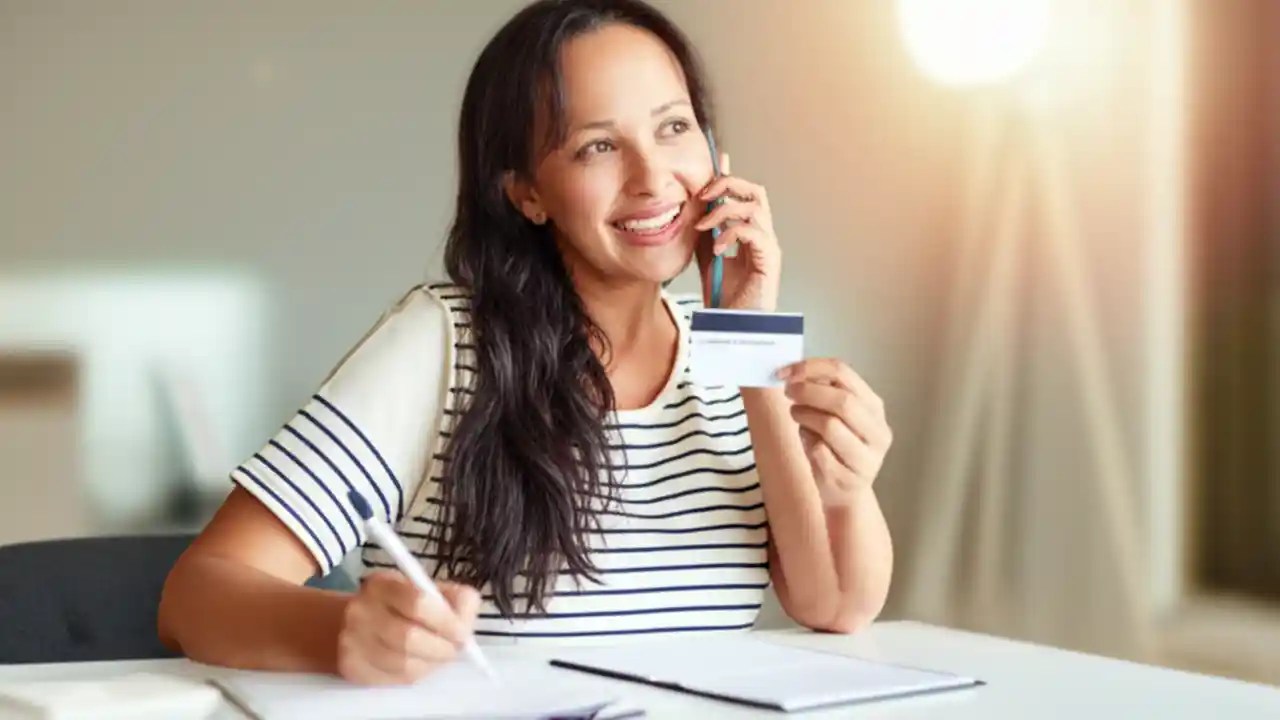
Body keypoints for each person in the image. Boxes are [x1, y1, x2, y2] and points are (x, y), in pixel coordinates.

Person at [158, 0, 894, 686]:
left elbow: (834, 604)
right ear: (526, 193)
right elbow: (197, 594)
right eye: (597, 146)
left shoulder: (732, 349)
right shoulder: (444, 343)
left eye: (673, 128)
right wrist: (343, 628)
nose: (651, 179)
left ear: (715, 153)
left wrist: (754, 338)